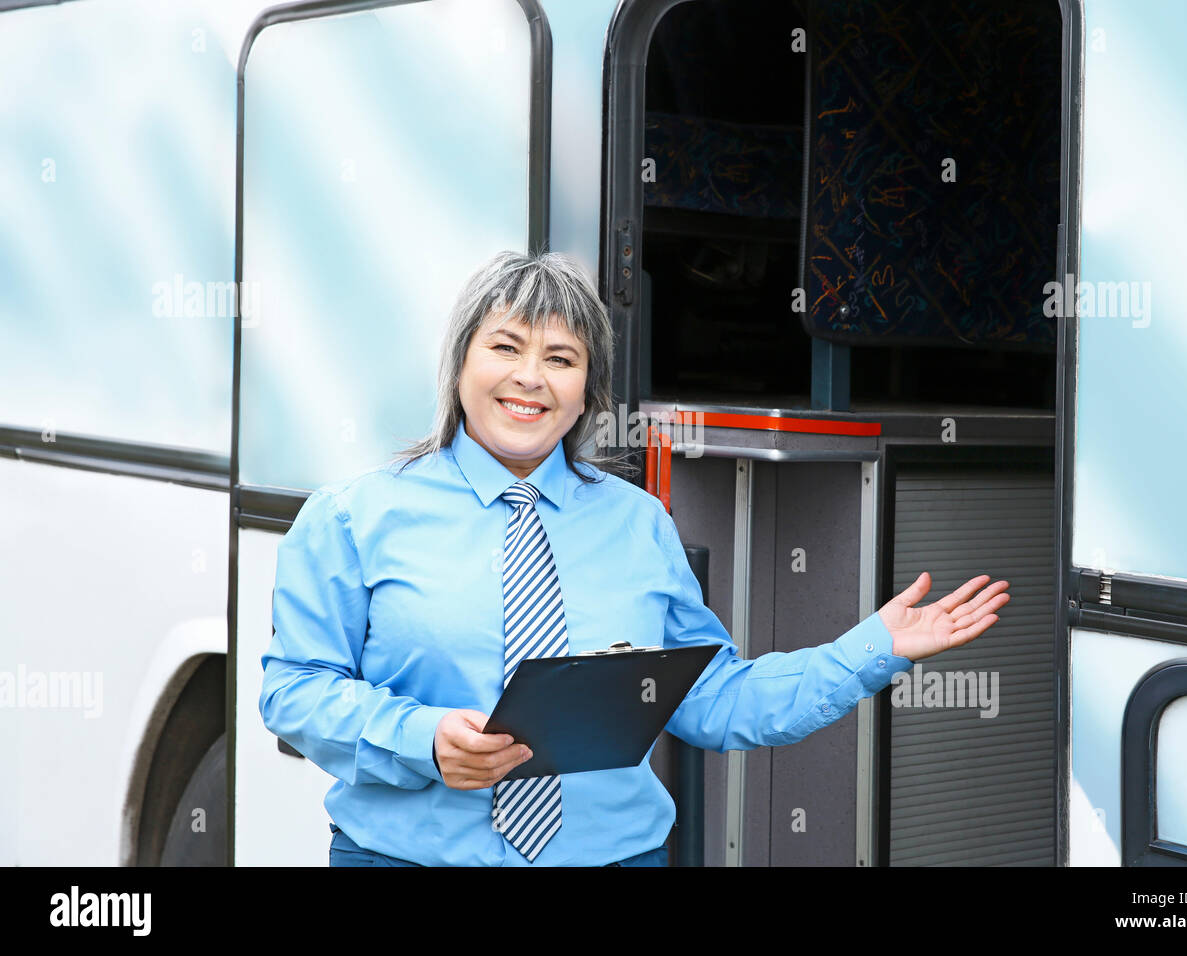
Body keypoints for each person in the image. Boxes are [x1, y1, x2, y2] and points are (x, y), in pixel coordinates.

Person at [260, 249, 1010, 867]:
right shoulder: (355, 515)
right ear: (459, 367)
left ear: (586, 392)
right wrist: (418, 739)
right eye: (505, 347)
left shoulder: (639, 525)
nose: (531, 377)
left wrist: (870, 649)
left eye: (561, 357)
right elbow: (294, 693)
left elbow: (713, 699)